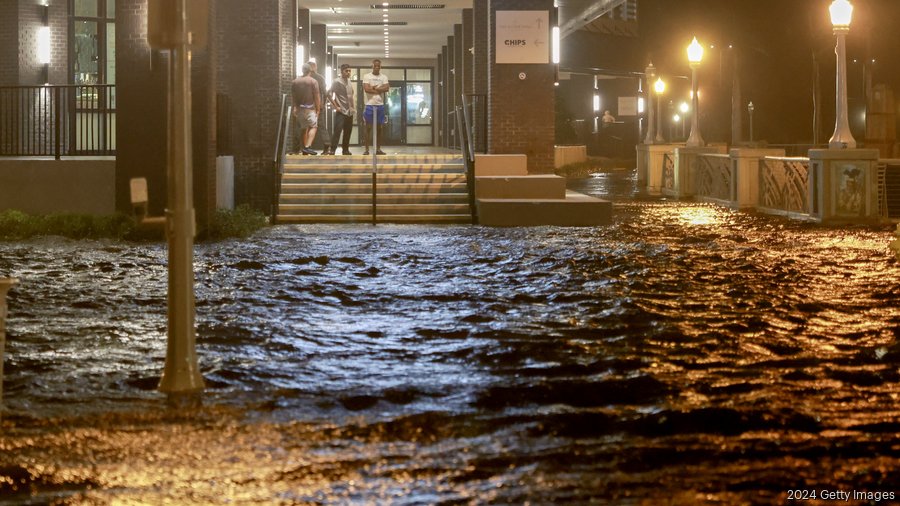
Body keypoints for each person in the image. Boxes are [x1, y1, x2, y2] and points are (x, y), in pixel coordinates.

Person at [326, 64, 356, 155]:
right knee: (338, 130)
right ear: (341, 71)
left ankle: (345, 150)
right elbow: (328, 94)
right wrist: (335, 106)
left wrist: (353, 108)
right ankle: (332, 149)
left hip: (350, 111)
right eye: (346, 71)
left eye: (349, 71)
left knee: (348, 131)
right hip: (341, 110)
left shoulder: (349, 82)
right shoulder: (337, 81)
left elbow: (351, 95)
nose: (348, 73)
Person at [291, 63, 320, 156]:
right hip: (310, 108)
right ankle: (307, 146)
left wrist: (295, 107)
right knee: (313, 126)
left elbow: (293, 97)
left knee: (304, 129)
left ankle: (304, 149)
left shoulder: (295, 82)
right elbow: (316, 96)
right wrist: (318, 109)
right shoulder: (313, 81)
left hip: (300, 109)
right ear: (310, 71)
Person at [362, 58, 389, 155]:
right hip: (369, 105)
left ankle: (378, 149)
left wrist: (373, 87)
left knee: (379, 128)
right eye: (375, 66)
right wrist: (378, 89)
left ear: (380, 67)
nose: (377, 67)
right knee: (368, 128)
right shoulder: (367, 76)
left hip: (380, 105)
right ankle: (366, 149)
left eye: (379, 66)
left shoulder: (384, 77)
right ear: (372, 66)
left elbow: (387, 88)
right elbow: (366, 89)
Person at [307, 60, 328, 153]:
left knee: (305, 126)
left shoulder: (305, 77)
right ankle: (327, 146)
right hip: (318, 105)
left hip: (308, 105)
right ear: (315, 67)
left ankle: (304, 147)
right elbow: (325, 92)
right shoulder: (320, 78)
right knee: (321, 126)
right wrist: (323, 103)